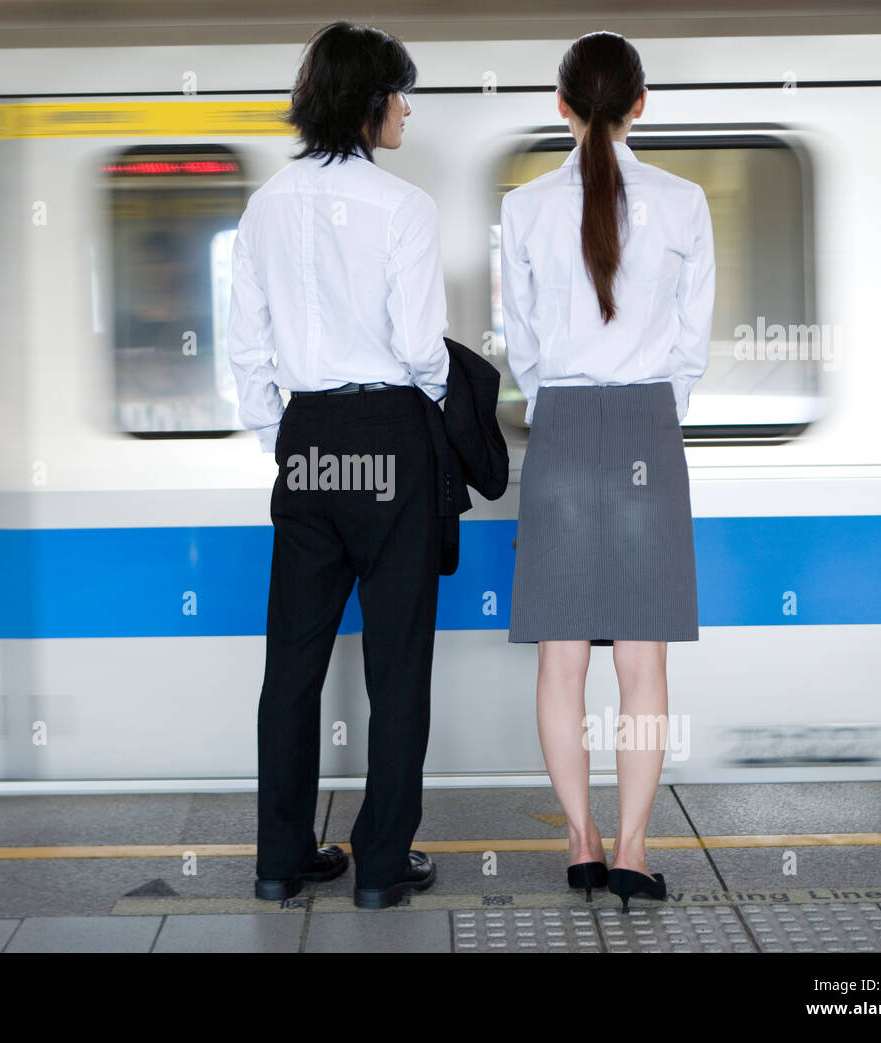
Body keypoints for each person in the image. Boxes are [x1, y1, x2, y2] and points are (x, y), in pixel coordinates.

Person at [227, 21, 449, 910]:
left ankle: (280, 860)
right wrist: (425, 410)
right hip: (390, 434)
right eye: (399, 93)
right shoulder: (405, 209)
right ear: (367, 104)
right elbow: (421, 349)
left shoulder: (265, 204)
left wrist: (281, 440)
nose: (406, 109)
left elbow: (247, 348)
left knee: (292, 666)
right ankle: (382, 864)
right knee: (398, 667)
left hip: (306, 441)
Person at [500, 31, 716, 912]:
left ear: (561, 106)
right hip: (645, 430)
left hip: (562, 429)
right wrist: (656, 413)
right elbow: (692, 347)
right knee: (643, 665)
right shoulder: (686, 201)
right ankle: (632, 849)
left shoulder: (522, 208)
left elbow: (521, 346)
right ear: (640, 104)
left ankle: (580, 843)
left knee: (559, 662)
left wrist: (561, 405)